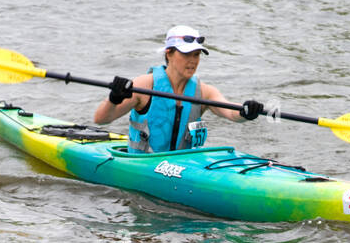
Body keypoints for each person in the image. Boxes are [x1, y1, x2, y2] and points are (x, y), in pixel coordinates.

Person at [93, 25, 265, 153]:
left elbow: (230, 113)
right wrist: (113, 99)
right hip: (142, 164)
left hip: (182, 167)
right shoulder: (144, 86)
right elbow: (101, 119)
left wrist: (246, 112)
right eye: (186, 54)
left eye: (196, 55)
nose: (193, 60)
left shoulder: (204, 92)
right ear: (169, 53)